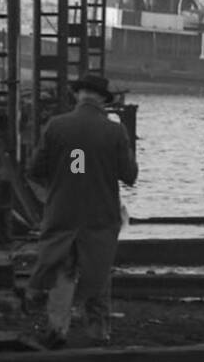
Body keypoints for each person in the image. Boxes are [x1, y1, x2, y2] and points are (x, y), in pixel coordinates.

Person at [27, 72, 138, 348]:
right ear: (102, 99)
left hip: (62, 210)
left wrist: (60, 182)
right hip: (100, 213)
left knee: (61, 268)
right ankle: (98, 331)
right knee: (98, 269)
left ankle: (57, 329)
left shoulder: (56, 126)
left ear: (78, 95)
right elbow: (129, 174)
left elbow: (35, 169)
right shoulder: (114, 131)